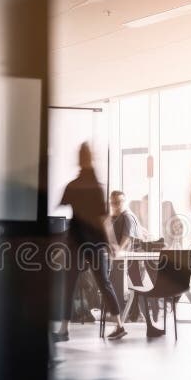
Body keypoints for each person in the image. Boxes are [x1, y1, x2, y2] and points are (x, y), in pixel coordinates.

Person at [54, 143, 126, 341]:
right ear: (91, 158)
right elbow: (105, 220)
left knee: (69, 285)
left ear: (79, 159)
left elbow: (61, 204)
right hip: (95, 245)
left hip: (78, 244)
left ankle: (63, 330)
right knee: (104, 283)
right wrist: (112, 243)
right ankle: (119, 325)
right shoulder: (97, 187)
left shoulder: (75, 185)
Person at [109, 190, 165, 338]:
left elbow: (127, 238)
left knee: (139, 292)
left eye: (119, 201)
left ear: (124, 201)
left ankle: (142, 325)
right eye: (113, 201)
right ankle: (146, 326)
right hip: (130, 261)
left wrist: (118, 251)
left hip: (133, 261)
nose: (115, 204)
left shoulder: (127, 216)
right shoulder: (118, 217)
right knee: (139, 294)